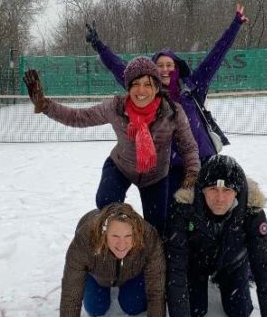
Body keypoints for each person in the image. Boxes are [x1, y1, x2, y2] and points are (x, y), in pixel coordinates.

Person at [23, 56, 199, 234]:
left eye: (148, 84)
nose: (141, 90)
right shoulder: (116, 107)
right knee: (107, 203)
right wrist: (45, 105)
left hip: (155, 175)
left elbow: (189, 148)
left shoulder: (172, 112)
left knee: (157, 228)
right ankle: (123, 236)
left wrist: (192, 175)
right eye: (135, 84)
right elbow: (78, 117)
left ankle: (143, 241)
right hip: (121, 166)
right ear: (128, 87)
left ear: (156, 87)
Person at [86, 4, 248, 196]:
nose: (165, 69)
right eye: (160, 65)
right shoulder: (146, 91)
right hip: (169, 168)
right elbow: (119, 68)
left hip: (202, 160)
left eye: (169, 65)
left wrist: (236, 25)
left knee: (207, 206)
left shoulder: (193, 86)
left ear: (176, 67)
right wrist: (100, 46)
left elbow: (216, 55)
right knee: (171, 211)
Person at [164, 155, 267, 317]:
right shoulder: (184, 209)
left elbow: (266, 265)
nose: (220, 198)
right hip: (197, 264)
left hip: (233, 263)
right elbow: (176, 265)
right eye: (213, 189)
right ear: (201, 189)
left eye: (227, 190)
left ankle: (238, 276)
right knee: (194, 313)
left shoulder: (252, 211)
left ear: (237, 192)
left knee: (240, 314)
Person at [52, 203, 166, 317]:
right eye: (115, 236)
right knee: (95, 308)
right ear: (104, 233)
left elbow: (157, 288)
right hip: (98, 274)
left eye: (128, 236)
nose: (122, 244)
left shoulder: (148, 237)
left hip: (131, 273)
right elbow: (72, 292)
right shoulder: (86, 238)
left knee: (133, 306)